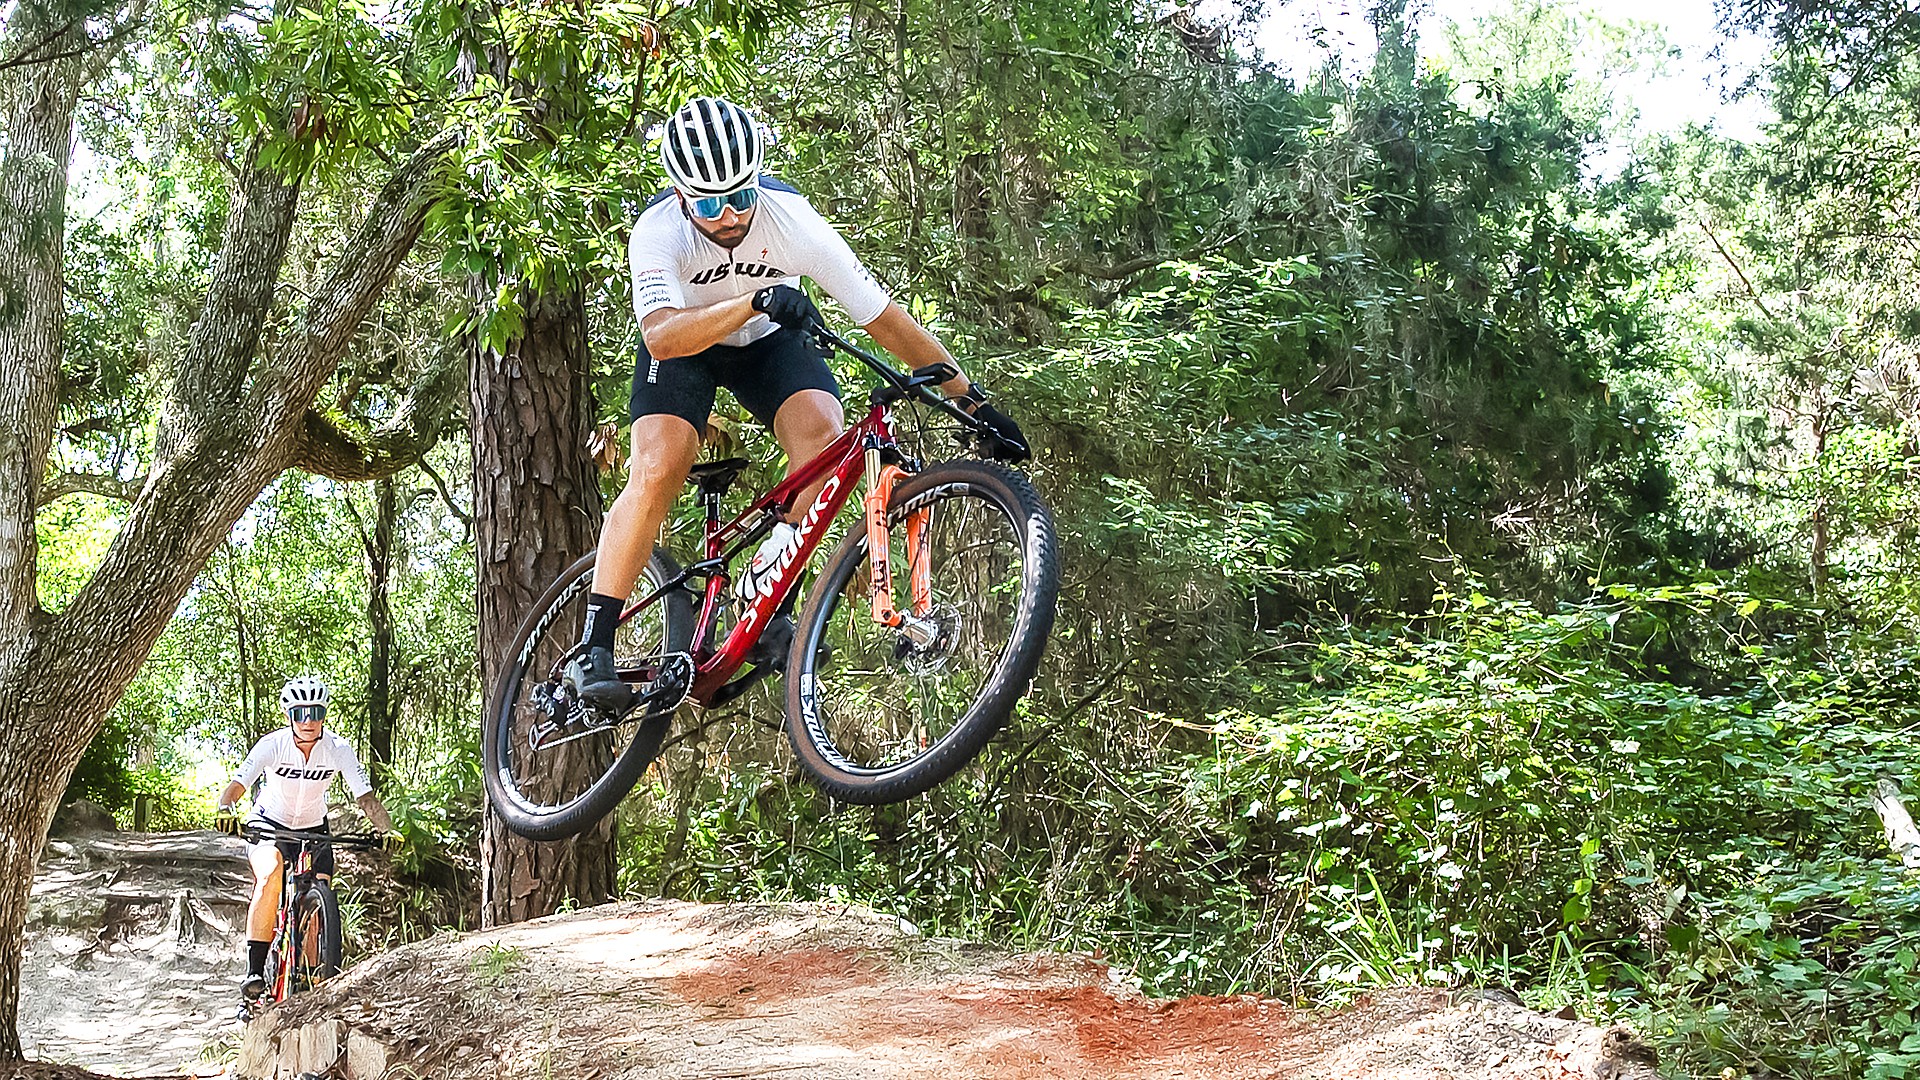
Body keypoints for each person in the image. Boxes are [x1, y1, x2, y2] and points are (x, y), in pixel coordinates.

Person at [565, 95, 1031, 714]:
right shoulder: (657, 231)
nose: (728, 216)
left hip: (770, 340)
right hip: (687, 343)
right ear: (681, 199)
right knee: (659, 466)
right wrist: (754, 299)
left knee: (826, 433)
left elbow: (883, 319)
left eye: (739, 196)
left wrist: (969, 401)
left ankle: (765, 591)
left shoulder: (793, 220)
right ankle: (593, 647)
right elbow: (661, 335)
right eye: (708, 204)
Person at [215, 674, 396, 1001]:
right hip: (269, 823)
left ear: (324, 714)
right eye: (300, 713)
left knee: (320, 889)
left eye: (315, 712)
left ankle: (314, 977)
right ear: (289, 716)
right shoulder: (273, 745)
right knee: (270, 873)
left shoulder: (338, 749)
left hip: (314, 828)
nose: (308, 720)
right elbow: (237, 786)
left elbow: (366, 798)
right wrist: (226, 810)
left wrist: (388, 830)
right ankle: (254, 971)